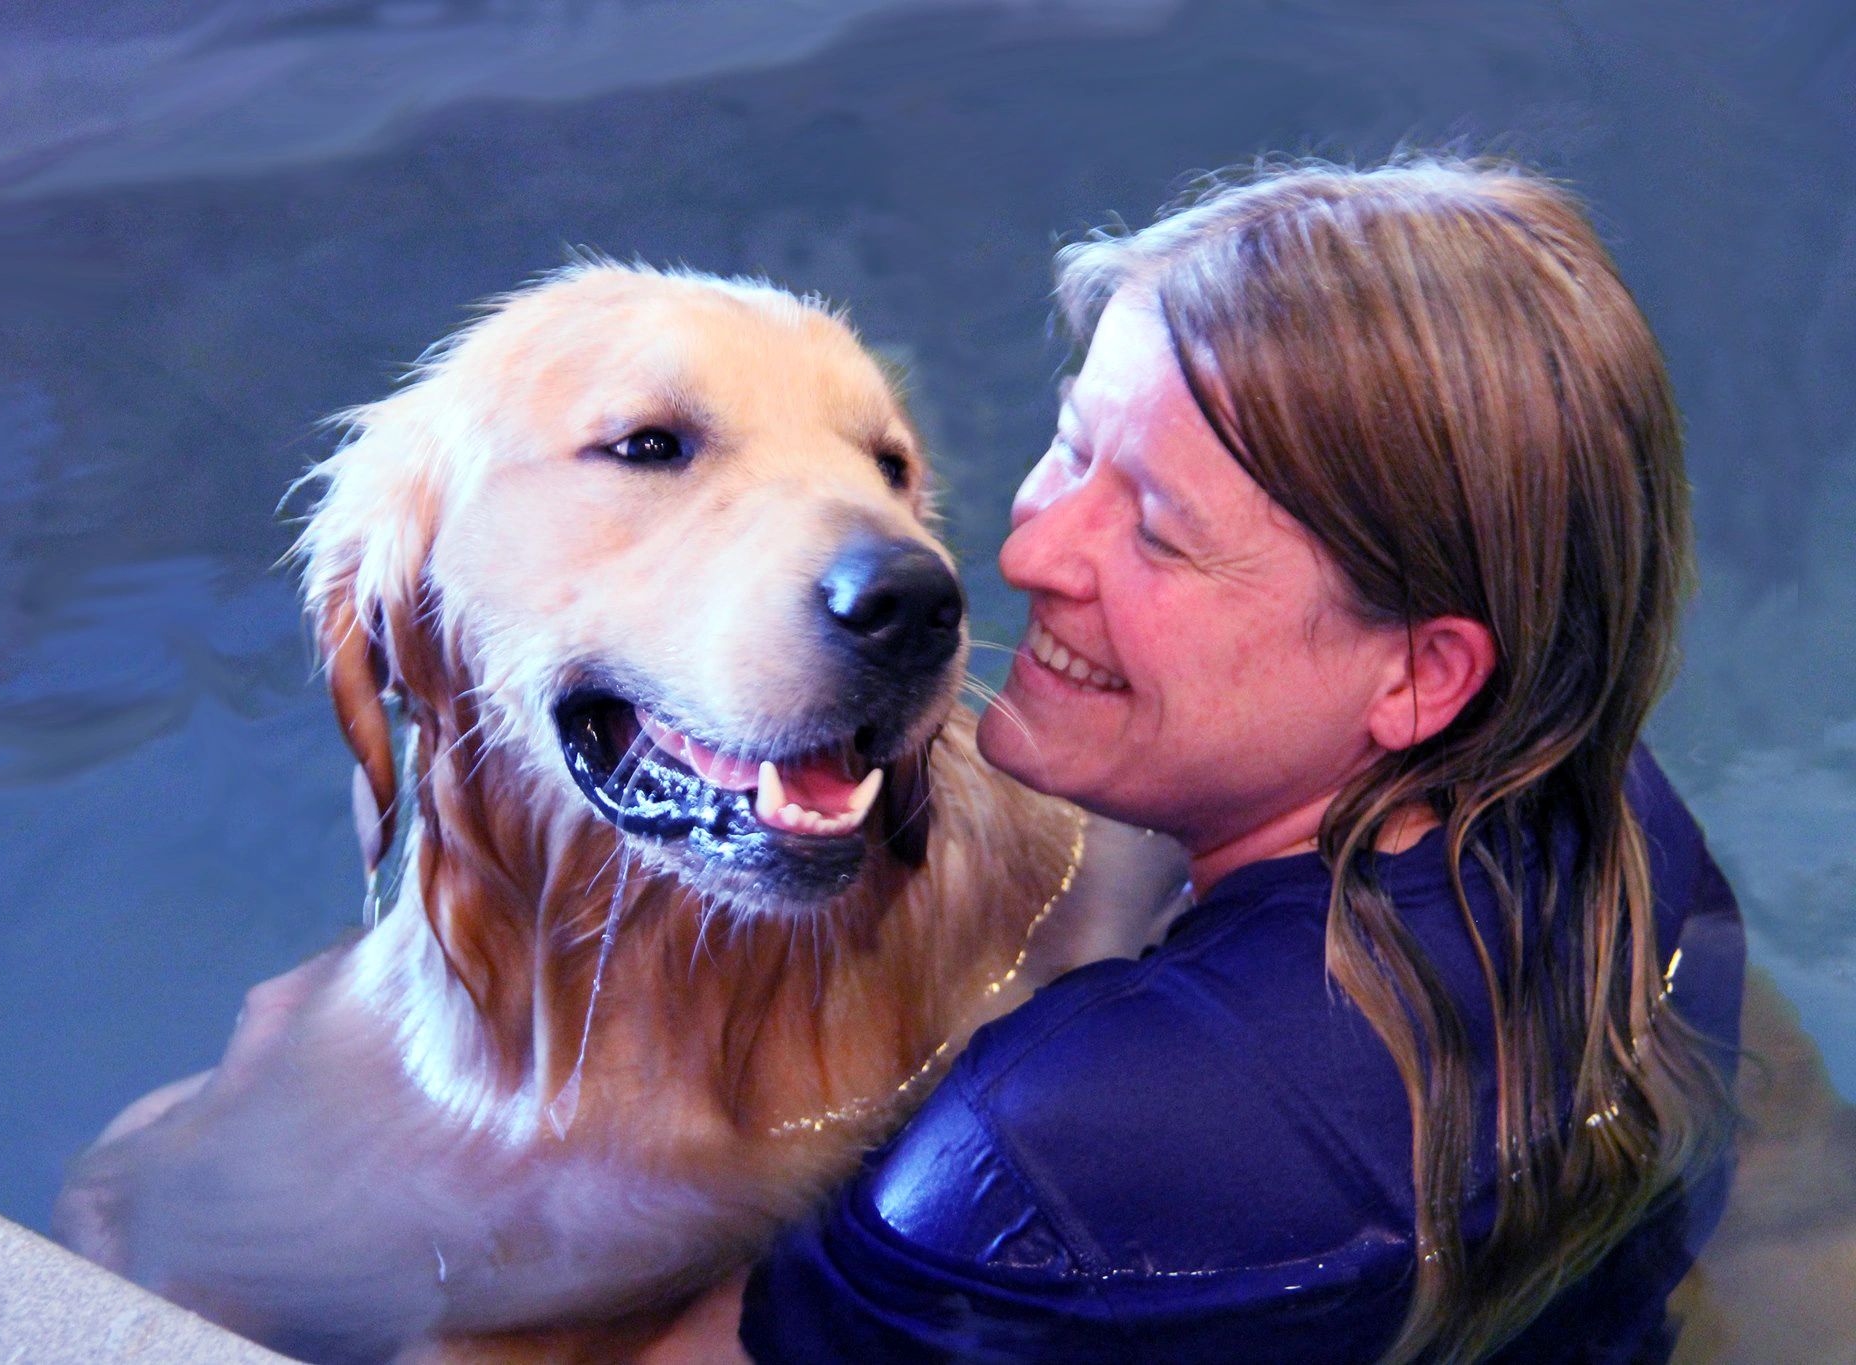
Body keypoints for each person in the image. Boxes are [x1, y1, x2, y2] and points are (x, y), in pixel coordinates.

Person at [667, 155, 1746, 1363]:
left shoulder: (1041, 1158)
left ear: (1419, 675)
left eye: (1157, 533)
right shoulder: (1624, 816)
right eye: (1074, 446)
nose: (1028, 558)